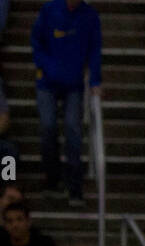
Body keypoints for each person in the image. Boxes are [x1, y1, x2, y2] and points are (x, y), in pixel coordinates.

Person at [30, 0, 101, 205]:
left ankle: (75, 186)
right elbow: (37, 40)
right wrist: (45, 66)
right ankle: (52, 180)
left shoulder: (90, 16)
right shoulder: (49, 10)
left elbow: (94, 49)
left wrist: (95, 80)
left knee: (73, 130)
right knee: (47, 127)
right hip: (47, 82)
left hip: (74, 84)